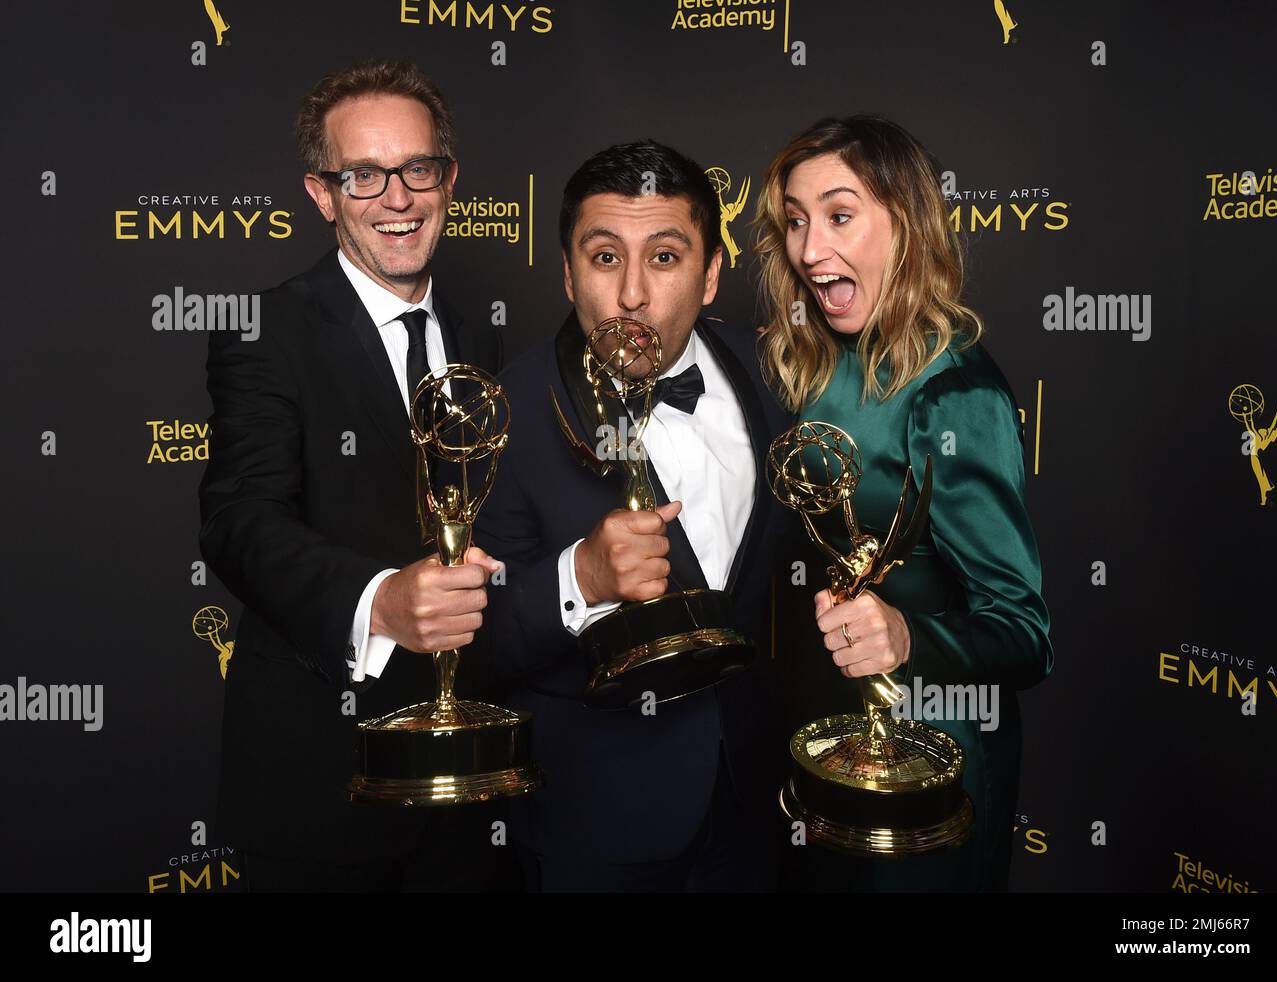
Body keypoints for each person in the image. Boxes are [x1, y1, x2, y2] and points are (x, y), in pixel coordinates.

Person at [198, 59, 512, 891]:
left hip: (478, 784)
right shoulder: (265, 332)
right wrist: (381, 601)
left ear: (448, 179)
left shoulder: (489, 325)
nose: (397, 198)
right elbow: (239, 520)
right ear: (322, 193)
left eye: (417, 169)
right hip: (325, 788)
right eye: (364, 175)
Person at [472, 141, 791, 892]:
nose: (633, 296)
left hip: (758, 805)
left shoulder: (778, 372)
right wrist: (578, 577)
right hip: (596, 825)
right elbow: (470, 647)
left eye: (666, 258)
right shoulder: (503, 412)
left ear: (712, 274)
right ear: (566, 272)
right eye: (606, 258)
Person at [753, 115, 1053, 891]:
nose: (811, 248)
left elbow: (1024, 635)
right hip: (830, 746)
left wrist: (905, 634)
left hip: (932, 763)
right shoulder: (819, 365)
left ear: (908, 223)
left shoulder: (956, 393)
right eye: (795, 220)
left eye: (840, 215)